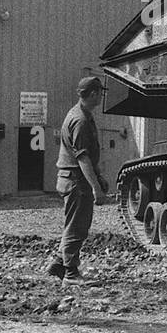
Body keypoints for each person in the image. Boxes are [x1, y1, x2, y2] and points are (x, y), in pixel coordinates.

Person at [46, 76, 109, 283]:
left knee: (73, 223)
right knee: (77, 226)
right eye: (100, 92)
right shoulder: (80, 120)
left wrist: (98, 177)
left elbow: (87, 156)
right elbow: (82, 158)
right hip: (76, 180)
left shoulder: (81, 114)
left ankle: (57, 263)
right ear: (93, 94)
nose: (101, 96)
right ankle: (71, 273)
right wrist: (96, 188)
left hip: (71, 178)